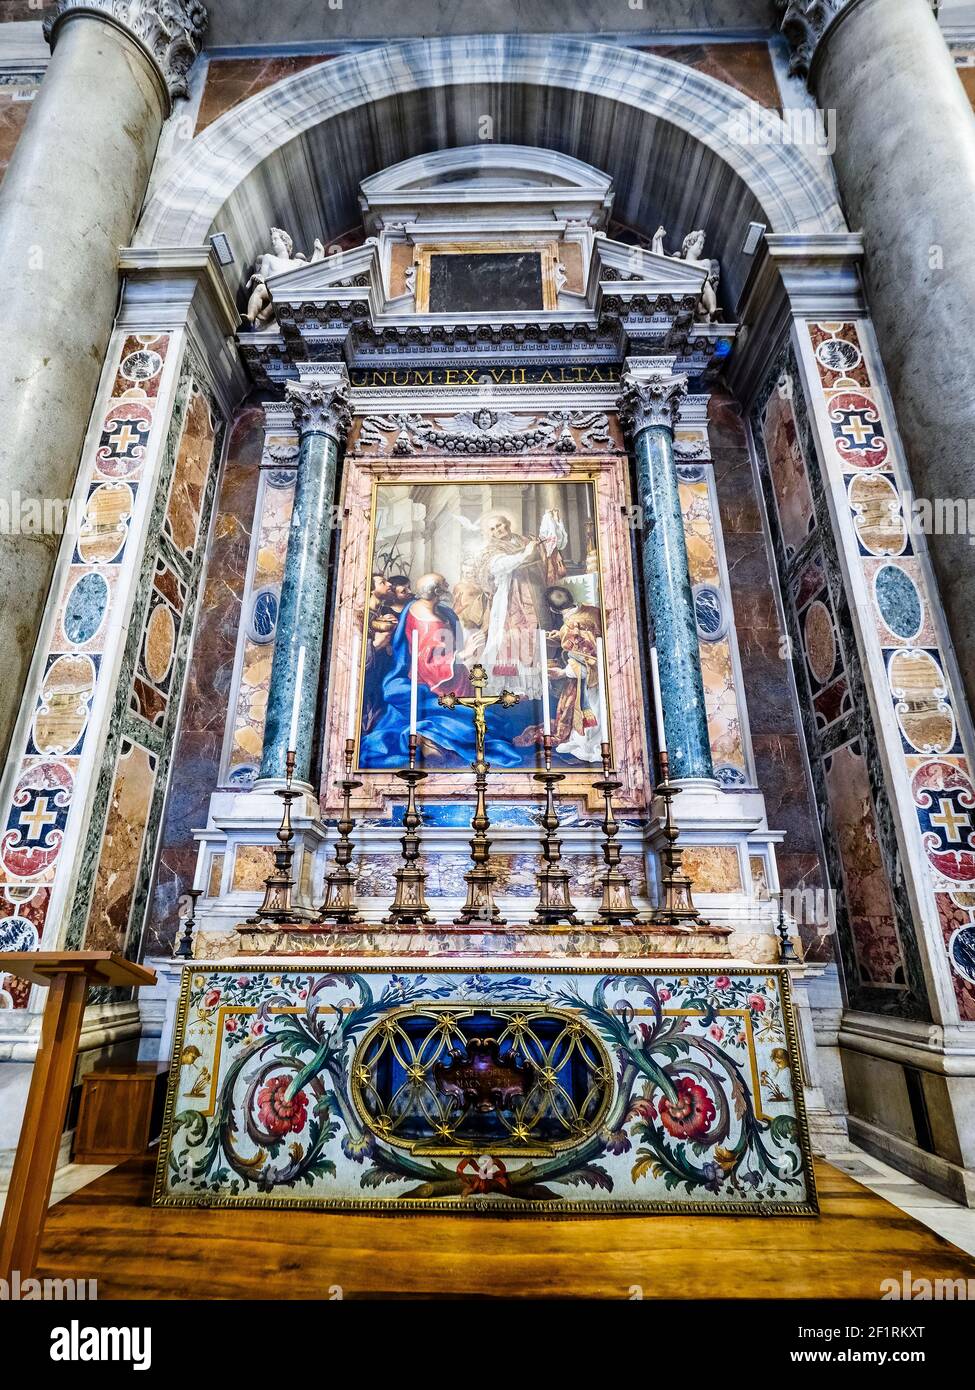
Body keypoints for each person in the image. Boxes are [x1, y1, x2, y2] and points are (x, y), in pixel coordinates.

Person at [359, 573, 521, 769]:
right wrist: (464, 655)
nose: (448, 586)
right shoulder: (425, 620)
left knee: (487, 721)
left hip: (450, 674)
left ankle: (434, 741)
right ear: (437, 591)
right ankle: (433, 739)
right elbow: (429, 662)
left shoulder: (439, 611)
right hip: (435, 681)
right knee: (468, 723)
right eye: (444, 584)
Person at [515, 585, 604, 763]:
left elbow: (585, 662)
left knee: (591, 713)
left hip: (589, 680)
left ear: (552, 609)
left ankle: (587, 744)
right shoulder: (592, 611)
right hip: (604, 673)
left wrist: (562, 673)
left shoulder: (569, 626)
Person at [473, 512, 550, 697]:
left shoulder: (524, 540)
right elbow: (497, 566)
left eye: (500, 525)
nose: (498, 530)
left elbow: (544, 554)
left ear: (508, 523)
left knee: (532, 636)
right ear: (490, 533)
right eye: (493, 528)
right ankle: (512, 686)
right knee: (511, 639)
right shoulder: (491, 550)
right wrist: (525, 555)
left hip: (534, 593)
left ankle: (532, 687)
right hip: (510, 599)